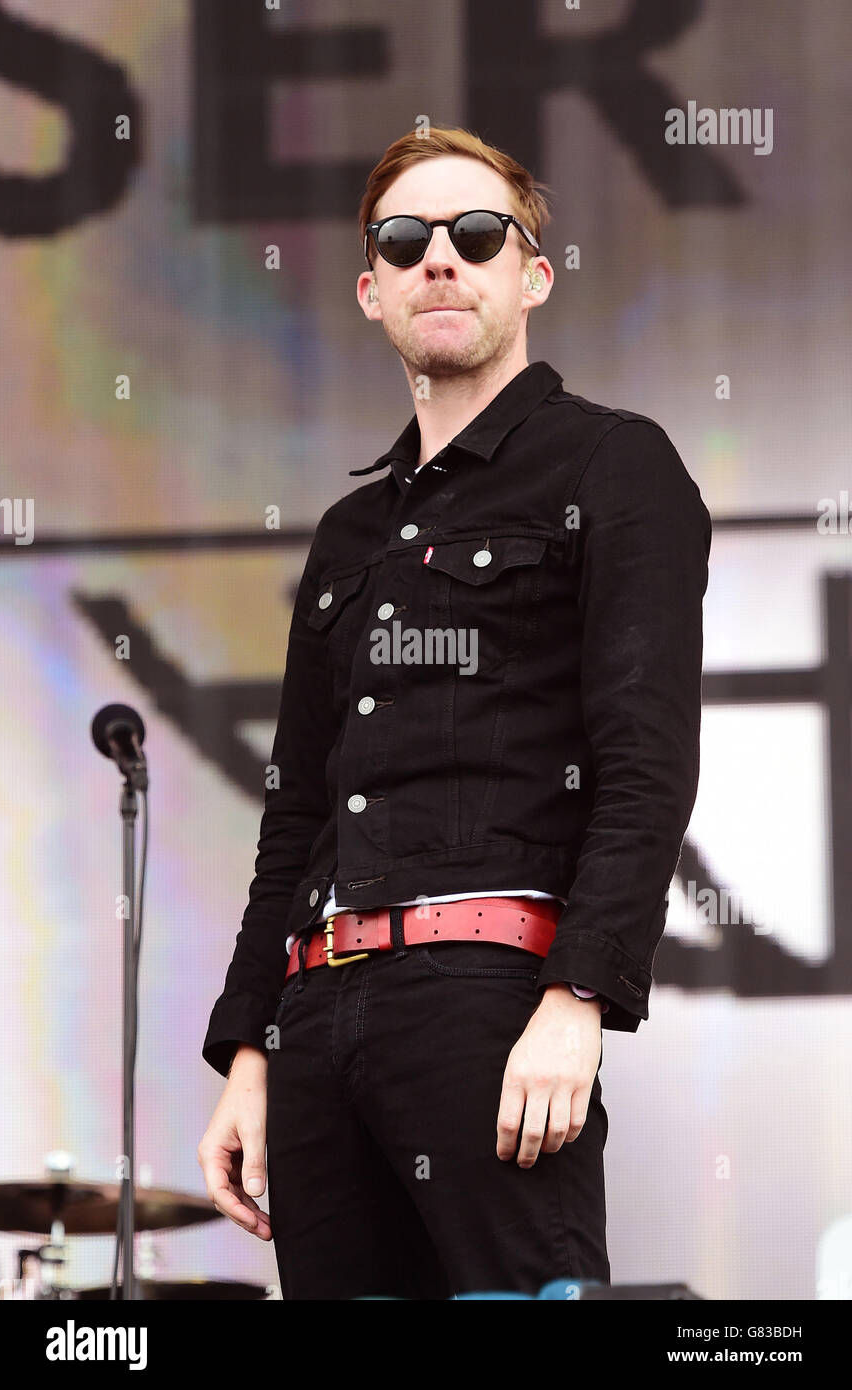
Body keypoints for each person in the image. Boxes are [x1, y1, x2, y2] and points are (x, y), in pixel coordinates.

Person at [198, 126, 712, 1300]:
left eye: (476, 235)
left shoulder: (612, 468)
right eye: (404, 238)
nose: (442, 258)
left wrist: (580, 995)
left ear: (529, 275)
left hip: (489, 999)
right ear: (370, 287)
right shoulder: (347, 537)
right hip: (316, 1014)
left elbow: (645, 763)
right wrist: (247, 1049)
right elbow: (295, 819)